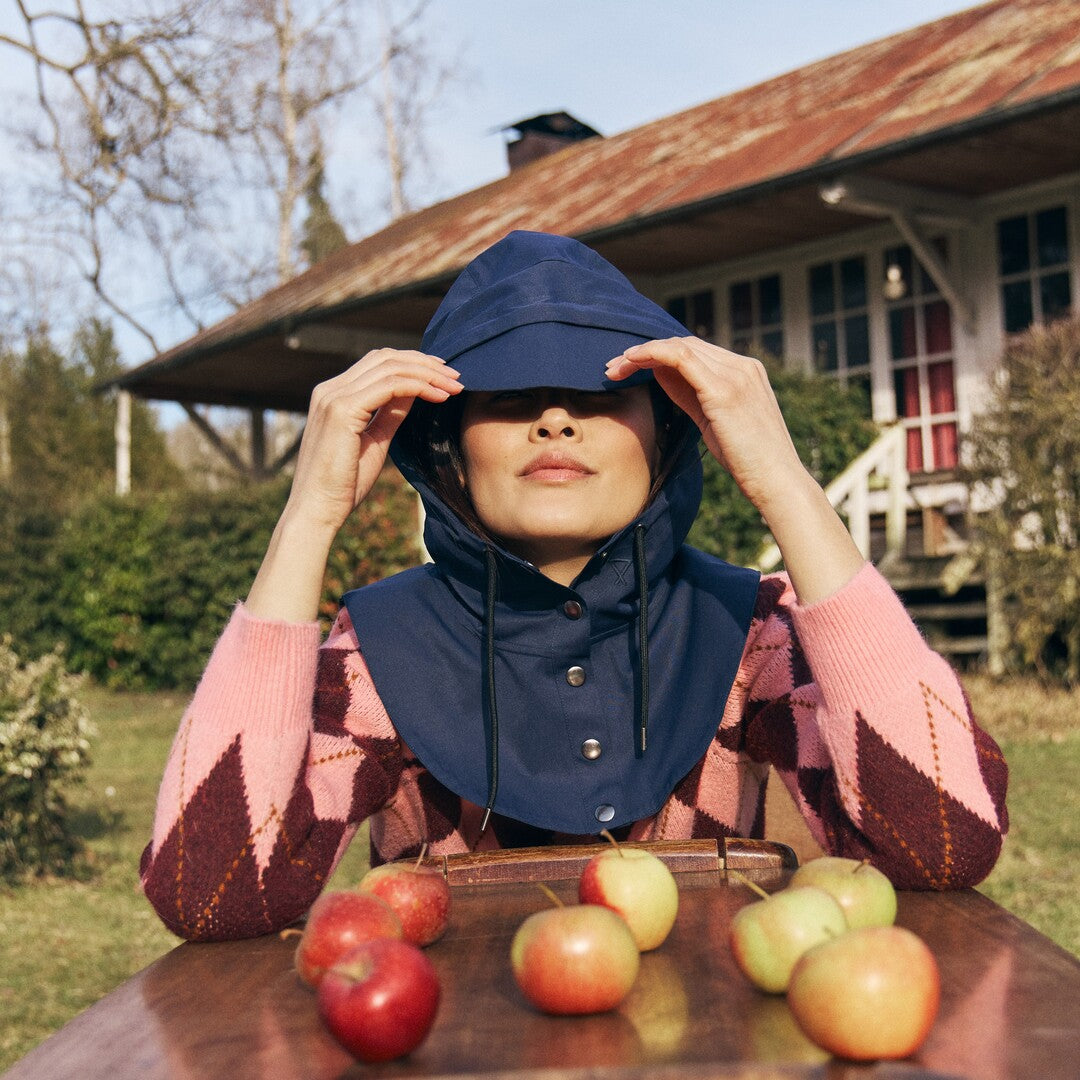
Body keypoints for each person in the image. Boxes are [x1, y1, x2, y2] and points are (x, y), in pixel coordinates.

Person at [141, 231, 1008, 942]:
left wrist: (783, 480)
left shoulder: (749, 632)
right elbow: (211, 891)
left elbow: (943, 837)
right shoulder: (378, 652)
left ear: (666, 436)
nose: (555, 419)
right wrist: (308, 516)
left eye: (598, 396)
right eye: (510, 398)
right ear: (449, 448)